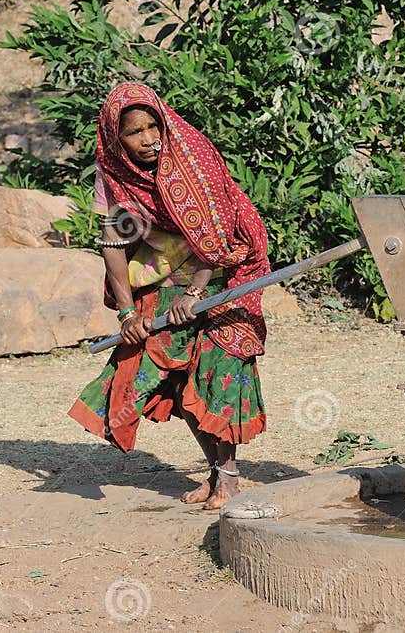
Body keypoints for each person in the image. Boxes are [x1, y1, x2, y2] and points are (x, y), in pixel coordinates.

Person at [67, 82, 271, 510]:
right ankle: (214, 473)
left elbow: (220, 236)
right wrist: (127, 314)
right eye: (134, 132)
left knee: (218, 369)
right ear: (114, 138)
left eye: (152, 126)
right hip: (161, 272)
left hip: (220, 267)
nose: (148, 138)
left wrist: (196, 291)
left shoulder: (190, 156)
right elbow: (115, 245)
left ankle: (229, 477)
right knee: (174, 375)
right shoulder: (115, 173)